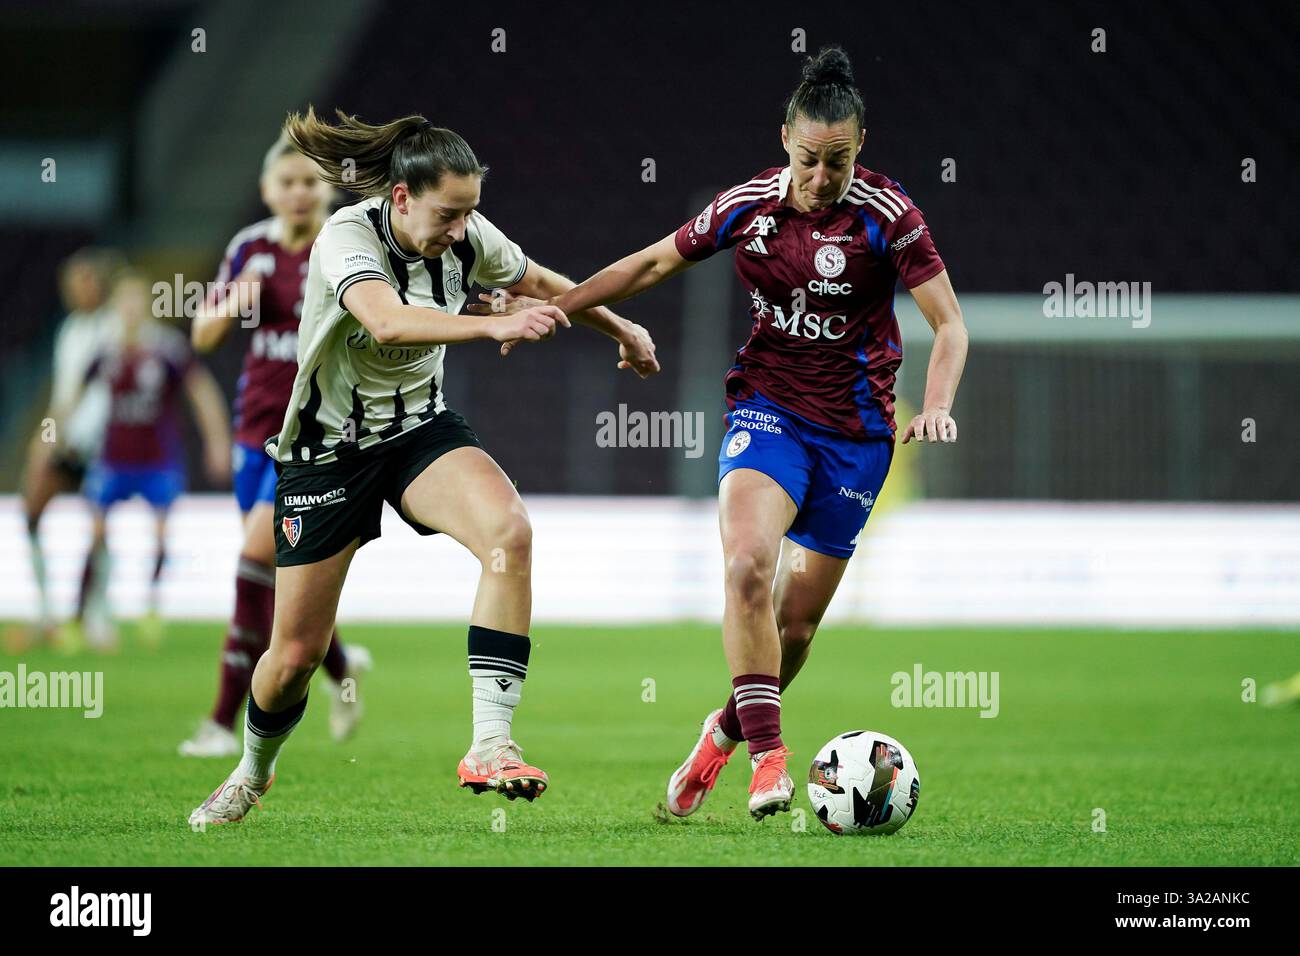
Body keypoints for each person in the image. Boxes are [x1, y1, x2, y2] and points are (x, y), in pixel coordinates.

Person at [188, 108, 657, 827]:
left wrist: (618, 326)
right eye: (448, 213)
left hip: (417, 432)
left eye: (470, 212)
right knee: (293, 659)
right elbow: (386, 320)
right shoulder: (346, 234)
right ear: (401, 199)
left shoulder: (468, 232)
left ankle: (492, 744)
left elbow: (537, 280)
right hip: (326, 452)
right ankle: (251, 771)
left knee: (510, 532)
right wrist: (492, 323)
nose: (462, 230)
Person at [547, 46, 969, 821]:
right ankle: (771, 762)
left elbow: (950, 327)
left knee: (796, 627)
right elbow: (647, 265)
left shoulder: (890, 215)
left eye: (837, 162)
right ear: (785, 141)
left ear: (860, 148)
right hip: (767, 413)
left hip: (858, 438)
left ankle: (720, 737)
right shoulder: (749, 206)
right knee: (746, 563)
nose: (820, 177)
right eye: (809, 159)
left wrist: (936, 403)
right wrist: (559, 307)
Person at [180, 133, 370, 758]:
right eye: (287, 183)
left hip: (314, 429)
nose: (298, 193)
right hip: (251, 428)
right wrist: (235, 301)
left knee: (254, 555)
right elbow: (202, 336)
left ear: (327, 190)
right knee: (285, 576)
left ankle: (219, 720)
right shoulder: (248, 250)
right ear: (268, 190)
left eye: (310, 183)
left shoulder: (342, 247)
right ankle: (343, 674)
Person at [73, 272, 231, 650]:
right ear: (115, 307)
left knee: (160, 536)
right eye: (123, 302)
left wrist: (218, 440)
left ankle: (151, 607)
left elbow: (202, 391)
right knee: (94, 535)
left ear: (145, 306)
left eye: (135, 301)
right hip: (112, 458)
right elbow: (72, 394)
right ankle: (86, 613)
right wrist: (50, 434)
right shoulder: (105, 349)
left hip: (158, 459)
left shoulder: (167, 349)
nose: (129, 309)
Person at [20, 248, 122, 647]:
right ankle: (46, 612)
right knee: (30, 512)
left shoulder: (115, 328)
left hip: (102, 444)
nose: (77, 289)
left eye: (85, 279)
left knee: (97, 530)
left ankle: (96, 615)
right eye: (72, 281)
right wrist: (44, 438)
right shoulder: (70, 330)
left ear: (101, 283)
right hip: (65, 440)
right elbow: (63, 395)